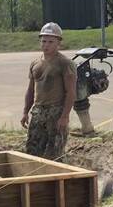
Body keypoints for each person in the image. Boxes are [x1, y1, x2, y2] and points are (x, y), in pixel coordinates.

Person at [21, 21, 76, 161]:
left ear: (58, 43)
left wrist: (64, 116)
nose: (46, 45)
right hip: (38, 111)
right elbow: (30, 90)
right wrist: (25, 112)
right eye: (43, 41)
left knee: (55, 152)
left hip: (56, 111)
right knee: (33, 151)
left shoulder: (65, 64)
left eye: (50, 42)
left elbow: (70, 92)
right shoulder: (35, 63)